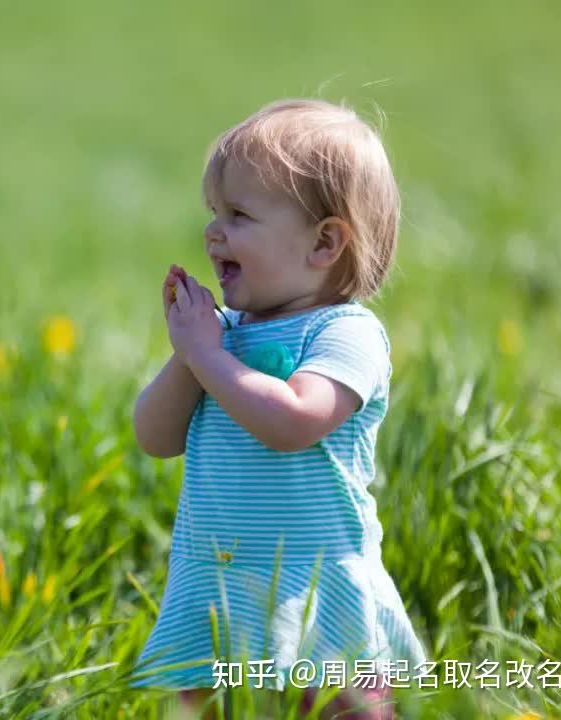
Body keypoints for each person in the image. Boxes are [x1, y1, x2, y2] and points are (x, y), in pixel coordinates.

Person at [128, 99, 429, 719]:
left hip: (317, 587)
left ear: (324, 243)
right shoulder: (223, 338)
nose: (213, 232)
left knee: (342, 705)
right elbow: (155, 436)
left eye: (238, 215)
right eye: (214, 213)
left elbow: (295, 420)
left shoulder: (346, 334)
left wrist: (210, 358)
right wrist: (192, 354)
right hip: (218, 587)